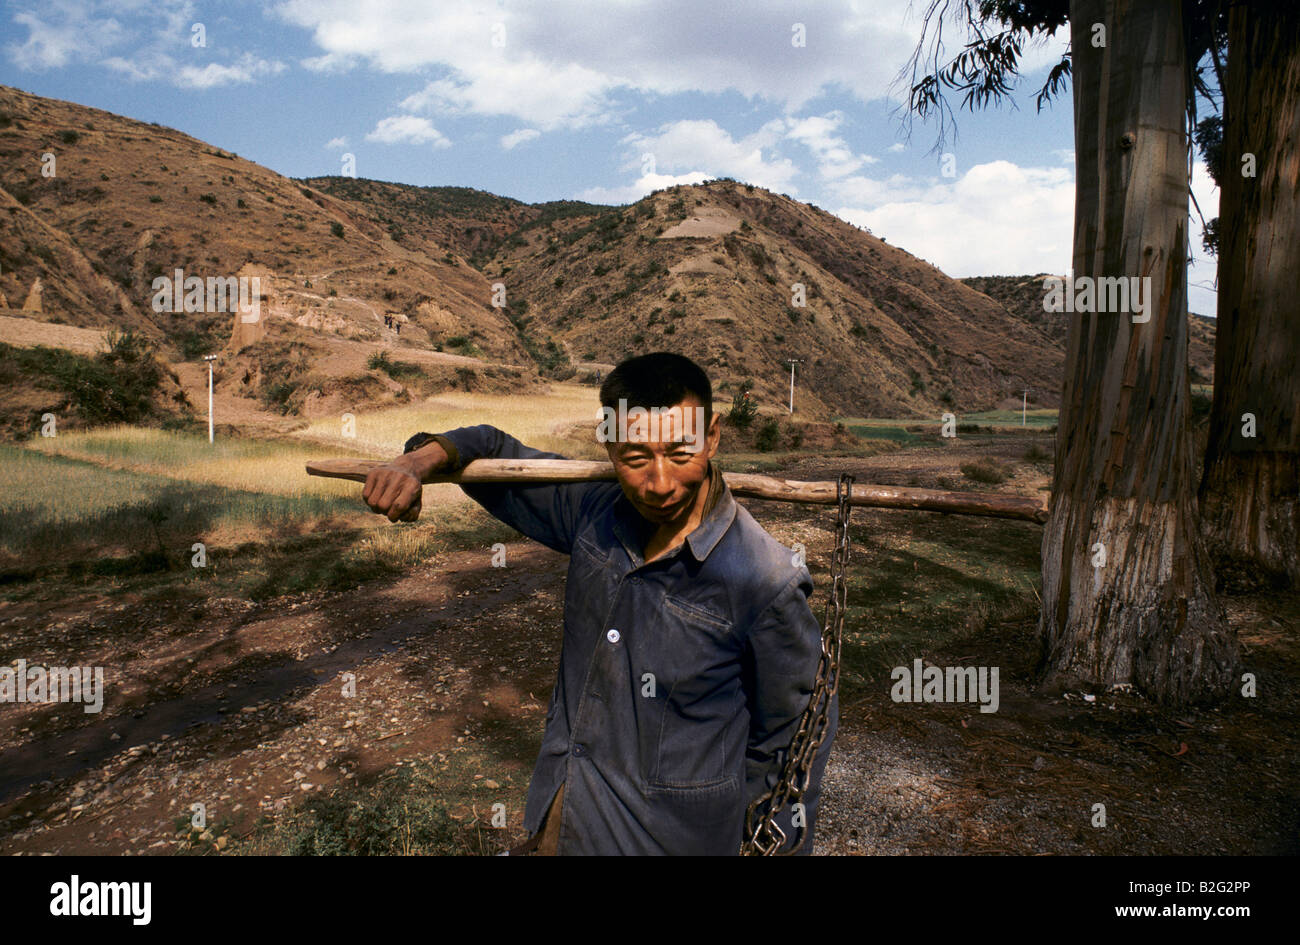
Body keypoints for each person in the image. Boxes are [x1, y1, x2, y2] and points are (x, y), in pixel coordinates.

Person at [361, 352, 836, 855]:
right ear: (606, 442)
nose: (659, 483)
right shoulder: (593, 512)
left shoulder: (764, 580)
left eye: (681, 453)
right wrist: (415, 462)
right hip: (566, 824)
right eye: (634, 457)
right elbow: (489, 449)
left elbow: (793, 748)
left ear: (712, 435)